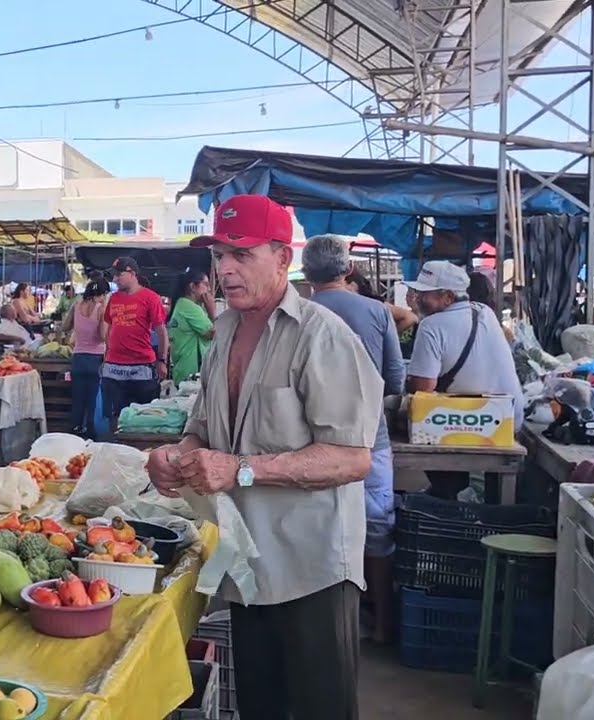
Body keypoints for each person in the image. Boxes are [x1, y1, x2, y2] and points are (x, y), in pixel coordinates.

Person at [145, 195, 382, 720]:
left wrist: (242, 468)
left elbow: (351, 458)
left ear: (282, 257)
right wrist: (174, 455)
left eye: (242, 254)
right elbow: (203, 429)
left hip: (312, 568)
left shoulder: (323, 337)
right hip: (248, 563)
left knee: (322, 709)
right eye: (220, 255)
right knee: (259, 706)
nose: (225, 269)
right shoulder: (224, 330)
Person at [302, 235, 405, 645]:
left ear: (306, 274)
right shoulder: (377, 312)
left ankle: (320, 629)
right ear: (348, 271)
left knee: (314, 531)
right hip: (368, 438)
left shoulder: (295, 313)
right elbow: (395, 380)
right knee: (378, 532)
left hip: (306, 444)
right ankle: (380, 626)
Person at [405, 260, 524, 499]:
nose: (417, 299)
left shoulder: (430, 326)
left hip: (480, 423)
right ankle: (464, 497)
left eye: (424, 294)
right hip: (510, 418)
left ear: (448, 296)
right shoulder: (485, 312)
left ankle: (447, 495)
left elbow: (422, 390)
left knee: (414, 421)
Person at [101, 257, 168, 424]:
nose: (115, 279)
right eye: (113, 276)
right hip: (114, 368)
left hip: (142, 368)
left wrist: (162, 360)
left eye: (119, 275)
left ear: (132, 273)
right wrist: (106, 355)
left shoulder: (151, 298)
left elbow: (161, 332)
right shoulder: (114, 298)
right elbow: (110, 328)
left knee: (143, 419)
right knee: (115, 419)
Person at [62, 278, 109, 438]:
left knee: (78, 398)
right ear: (102, 294)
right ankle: (91, 433)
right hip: (96, 359)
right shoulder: (101, 309)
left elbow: (65, 326)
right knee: (92, 400)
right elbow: (103, 336)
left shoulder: (76, 306)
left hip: (78, 358)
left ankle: (75, 430)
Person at [167, 269, 216, 384]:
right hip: (192, 372)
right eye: (206, 284)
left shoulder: (181, 304)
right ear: (193, 287)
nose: (208, 289)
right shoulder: (190, 307)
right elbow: (212, 333)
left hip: (183, 369)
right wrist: (212, 312)